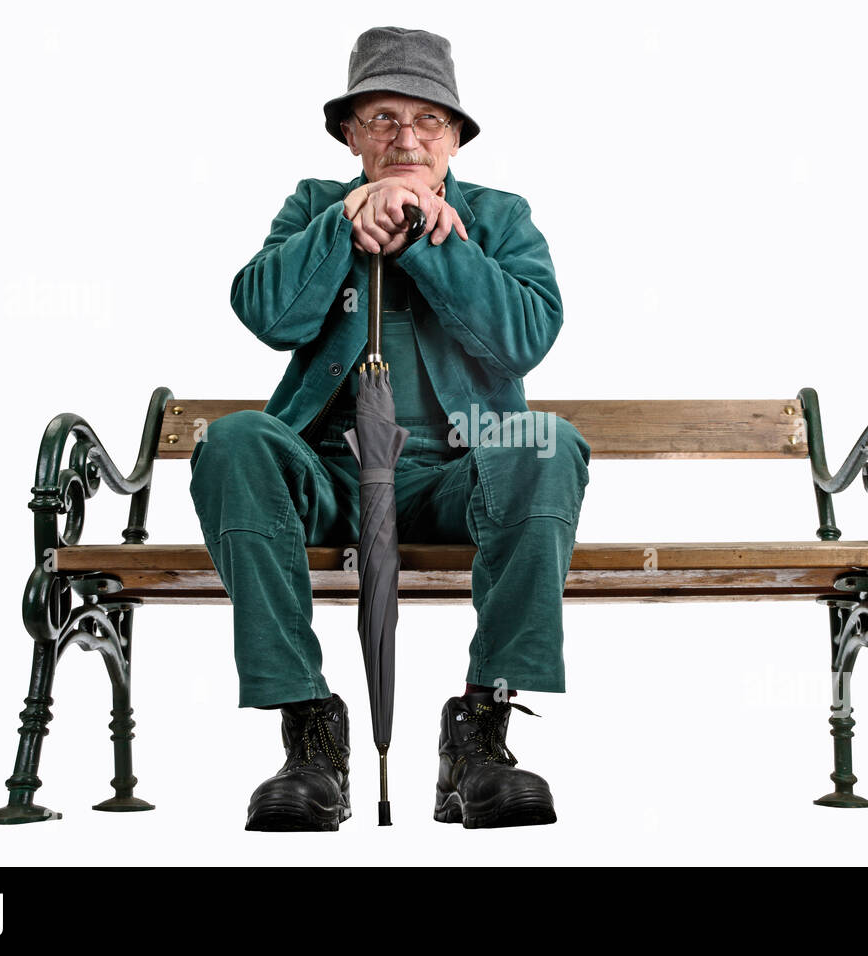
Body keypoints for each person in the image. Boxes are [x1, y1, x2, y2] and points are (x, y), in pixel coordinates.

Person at [188, 26, 590, 831]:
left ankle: (481, 732)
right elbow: (266, 311)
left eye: (427, 121)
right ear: (349, 134)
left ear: (455, 138)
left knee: (546, 443)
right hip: (328, 475)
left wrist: (435, 245)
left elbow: (527, 336)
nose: (406, 136)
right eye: (382, 118)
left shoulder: (501, 218)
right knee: (233, 440)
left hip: (457, 475)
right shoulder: (312, 207)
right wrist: (342, 225)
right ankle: (309, 733)